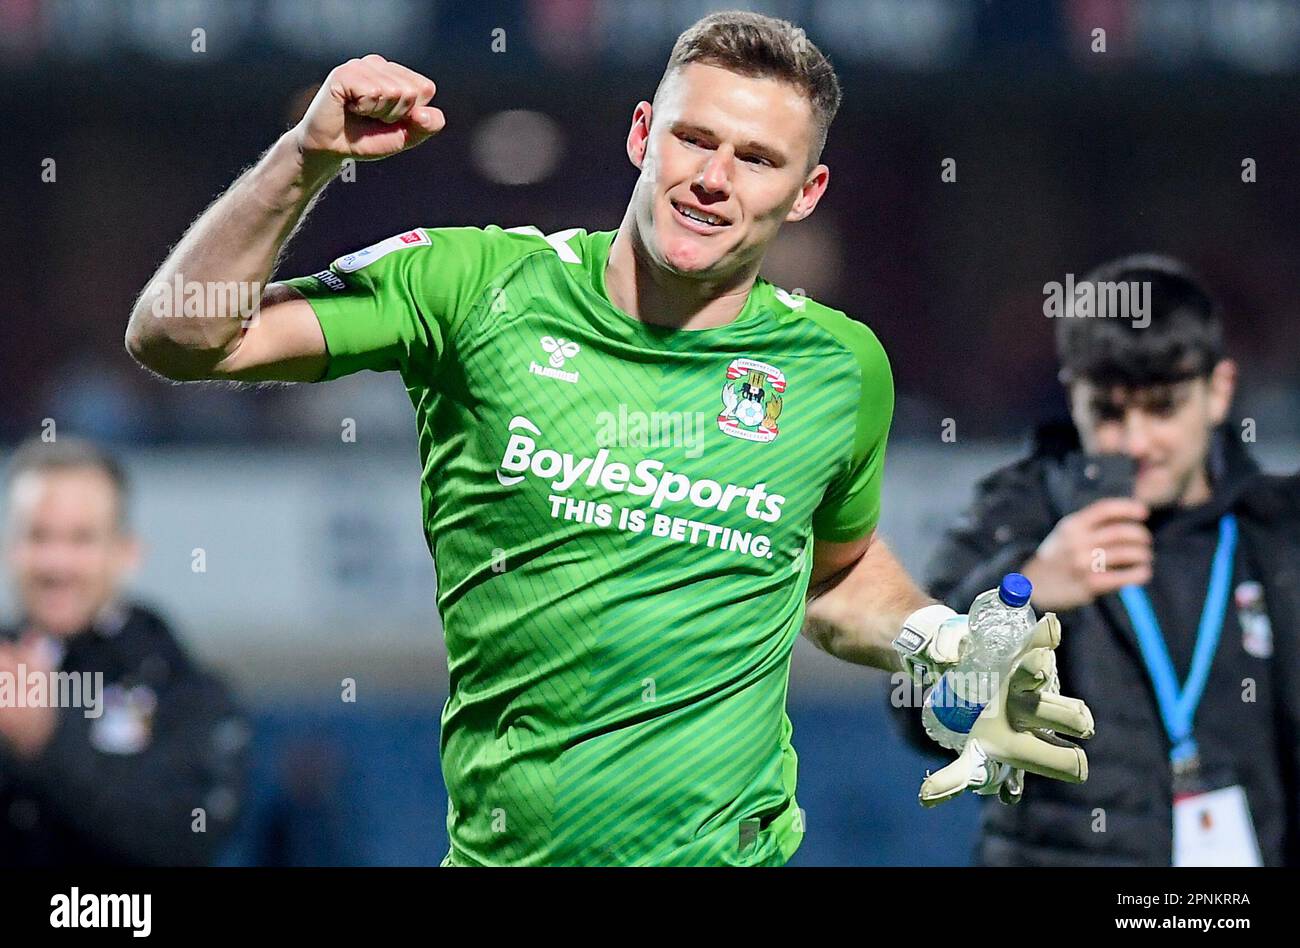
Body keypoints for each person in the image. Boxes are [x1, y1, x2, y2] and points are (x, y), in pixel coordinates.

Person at [124, 10, 1091, 866]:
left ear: (806, 191)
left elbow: (831, 575)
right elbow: (180, 335)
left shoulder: (841, 368)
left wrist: (944, 642)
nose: (713, 179)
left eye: (756, 159)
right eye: (693, 139)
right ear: (643, 134)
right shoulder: (473, 286)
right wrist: (304, 159)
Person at [912, 254, 1300, 865]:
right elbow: (923, 717)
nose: (1137, 442)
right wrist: (1024, 592)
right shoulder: (1017, 513)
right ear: (1074, 399)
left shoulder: (1273, 529)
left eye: (1163, 407)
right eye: (1111, 413)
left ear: (1218, 391)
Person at [0, 437, 249, 865]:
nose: (57, 565)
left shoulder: (183, 689)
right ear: (11, 549)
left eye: (81, 539)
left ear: (125, 553)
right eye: (39, 536)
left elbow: (185, 837)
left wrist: (46, 739)